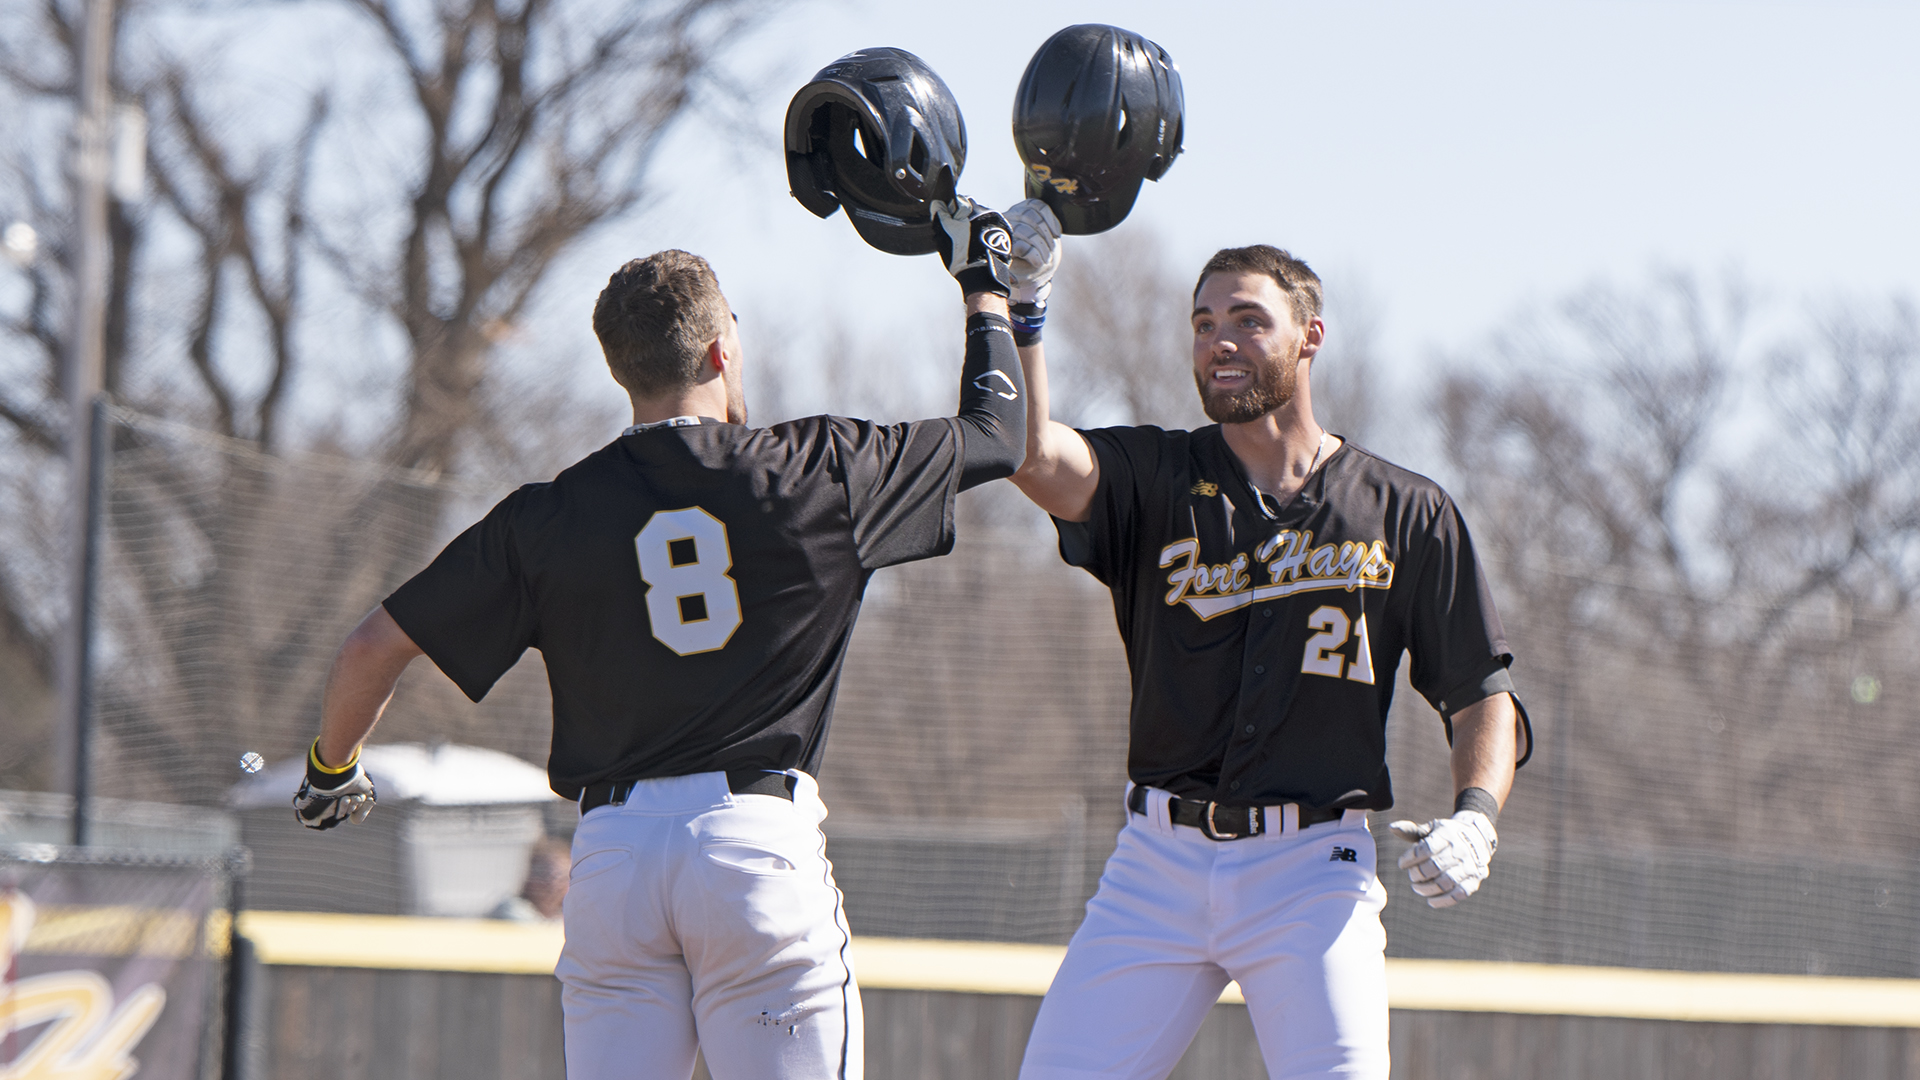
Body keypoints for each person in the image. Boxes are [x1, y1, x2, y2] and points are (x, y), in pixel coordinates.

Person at [289, 200, 1024, 1080]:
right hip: (754, 850)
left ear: (622, 369)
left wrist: (332, 769)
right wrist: (987, 289)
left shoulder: (549, 515)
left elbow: (369, 648)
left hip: (616, 862)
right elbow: (1000, 436)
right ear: (718, 353)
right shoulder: (818, 469)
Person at [1001, 201, 1530, 1080]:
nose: (1220, 340)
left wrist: (1477, 815)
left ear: (1310, 336)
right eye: (1204, 322)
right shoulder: (1158, 476)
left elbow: (1481, 691)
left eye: (1249, 319)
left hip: (1311, 871)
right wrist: (1022, 313)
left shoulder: (1406, 511)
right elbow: (1031, 456)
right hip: (1156, 867)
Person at [491, 836, 572, 922]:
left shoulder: (570, 917)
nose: (553, 883)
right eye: (543, 875)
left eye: (562, 877)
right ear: (529, 876)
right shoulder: (511, 910)